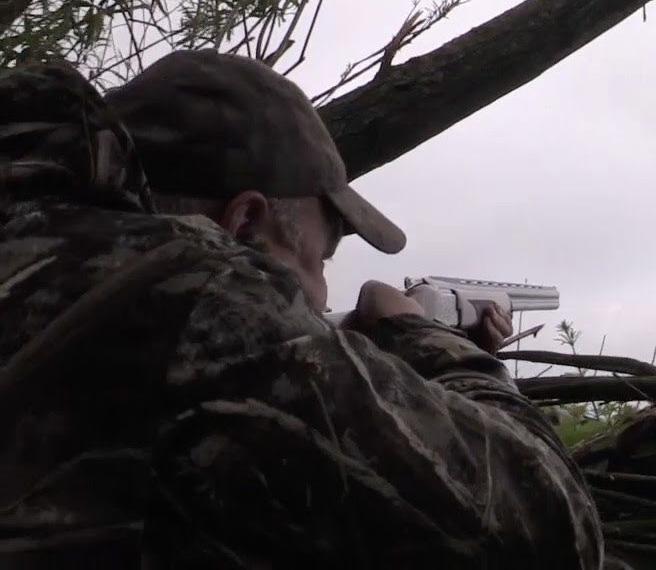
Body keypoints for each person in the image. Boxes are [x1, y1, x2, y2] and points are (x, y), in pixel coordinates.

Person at [0, 53, 604, 568]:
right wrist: (423, 338)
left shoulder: (41, 243)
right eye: (320, 259)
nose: (319, 296)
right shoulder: (199, 294)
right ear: (245, 222)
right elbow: (551, 529)